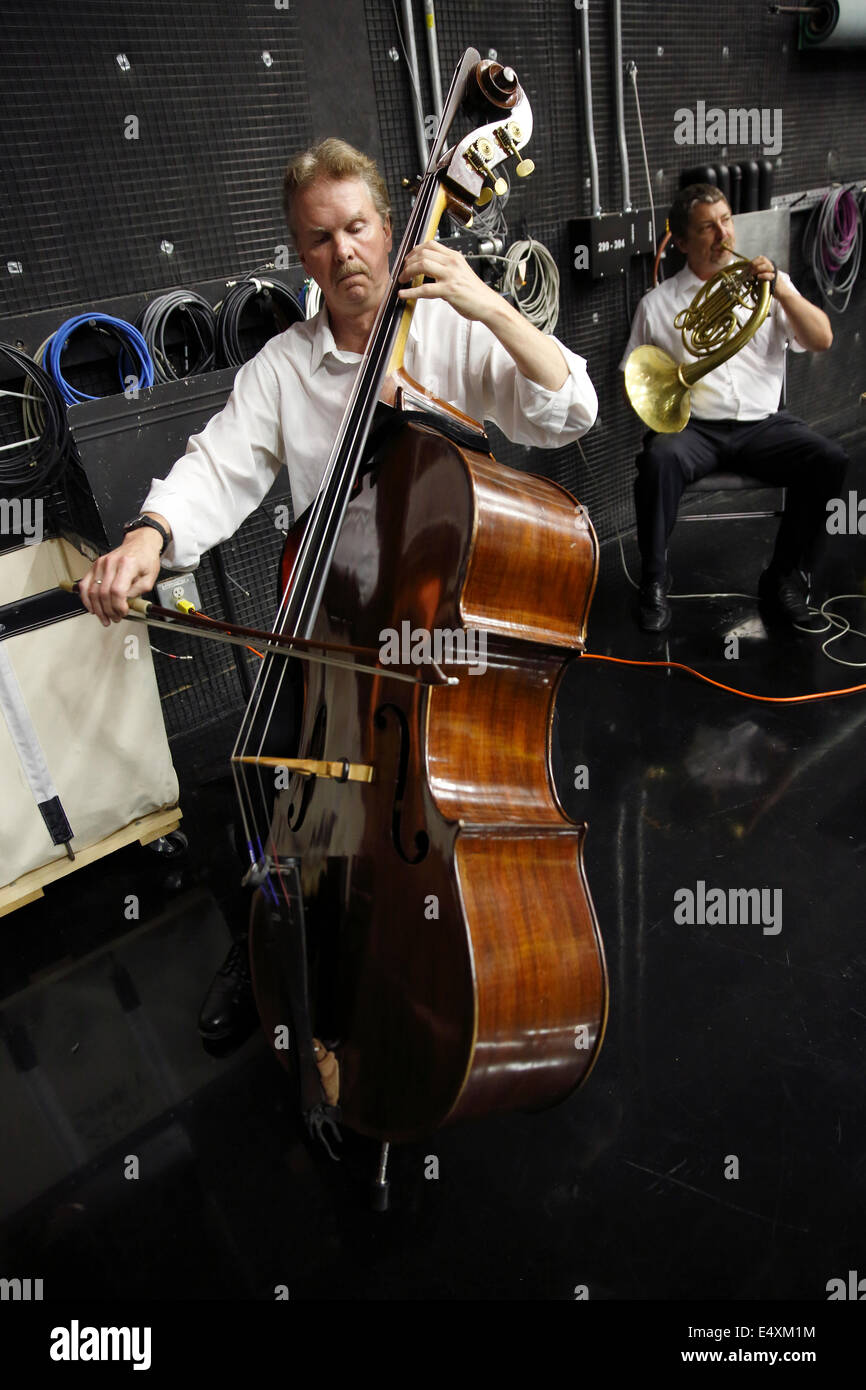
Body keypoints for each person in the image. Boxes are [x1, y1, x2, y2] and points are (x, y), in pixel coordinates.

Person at [78, 138, 598, 1039]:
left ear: (388, 226)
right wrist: (148, 536)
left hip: (437, 620)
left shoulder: (449, 324)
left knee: (425, 794)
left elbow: (569, 410)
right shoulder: (284, 365)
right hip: (334, 612)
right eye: (319, 240)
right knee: (263, 775)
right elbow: (218, 466)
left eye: (357, 227)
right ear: (302, 253)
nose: (343, 252)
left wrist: (489, 305)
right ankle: (266, 938)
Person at [620, 182, 847, 633]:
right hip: (697, 429)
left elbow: (822, 337)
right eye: (707, 227)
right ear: (683, 242)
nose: (723, 234)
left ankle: (782, 578)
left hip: (764, 426)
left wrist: (783, 292)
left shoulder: (771, 286)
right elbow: (637, 375)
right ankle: (655, 581)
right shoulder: (658, 303)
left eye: (726, 221)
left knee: (829, 459)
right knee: (658, 460)